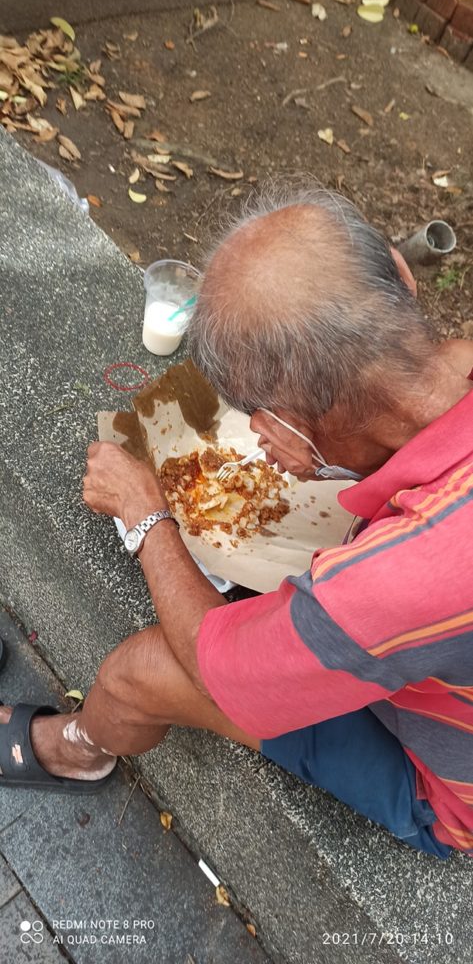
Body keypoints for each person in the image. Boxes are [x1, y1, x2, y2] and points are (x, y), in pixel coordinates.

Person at [0, 188, 472, 859]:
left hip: (452, 790)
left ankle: (74, 749)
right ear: (398, 276)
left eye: (258, 415)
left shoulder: (400, 576)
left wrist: (145, 515)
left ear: (296, 422)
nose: (252, 432)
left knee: (140, 672)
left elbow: (224, 668)